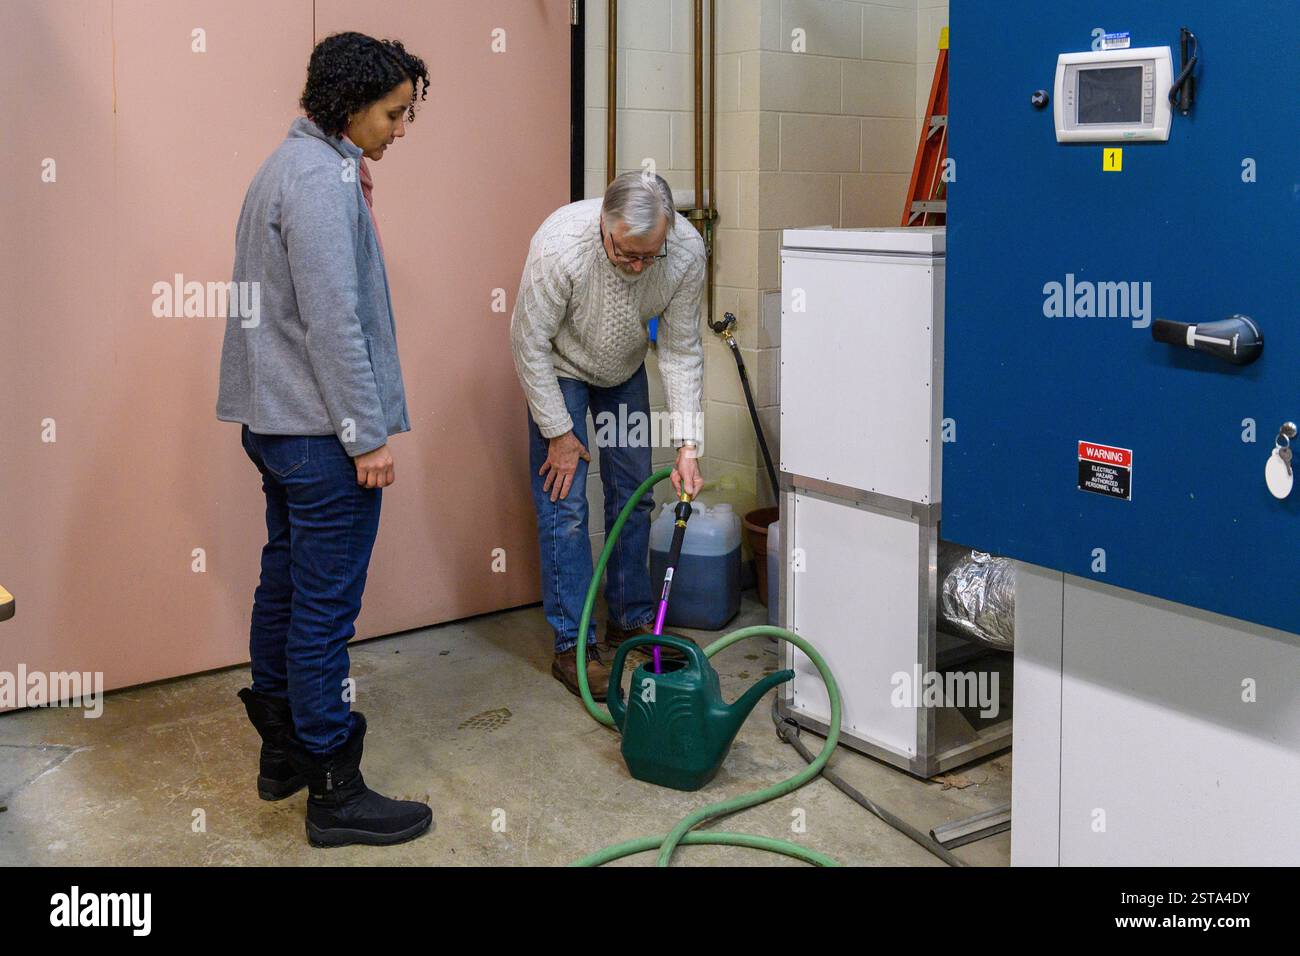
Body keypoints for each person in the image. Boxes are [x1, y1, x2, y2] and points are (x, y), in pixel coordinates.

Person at [216, 32, 432, 847]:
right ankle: (334, 788)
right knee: (323, 613)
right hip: (318, 434)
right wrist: (365, 434)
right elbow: (333, 323)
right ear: (350, 104)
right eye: (392, 113)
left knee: (287, 587)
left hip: (277, 426)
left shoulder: (285, 164)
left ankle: (283, 757)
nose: (400, 129)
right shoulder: (316, 179)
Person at [510, 171, 707, 699]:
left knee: (634, 496)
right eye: (626, 255)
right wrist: (558, 431)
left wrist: (688, 444)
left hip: (622, 368)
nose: (639, 267)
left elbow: (682, 348)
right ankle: (573, 645)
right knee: (566, 504)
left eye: (651, 255)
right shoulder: (560, 247)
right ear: (604, 224)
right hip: (560, 368)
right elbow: (527, 345)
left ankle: (631, 619)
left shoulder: (685, 251)